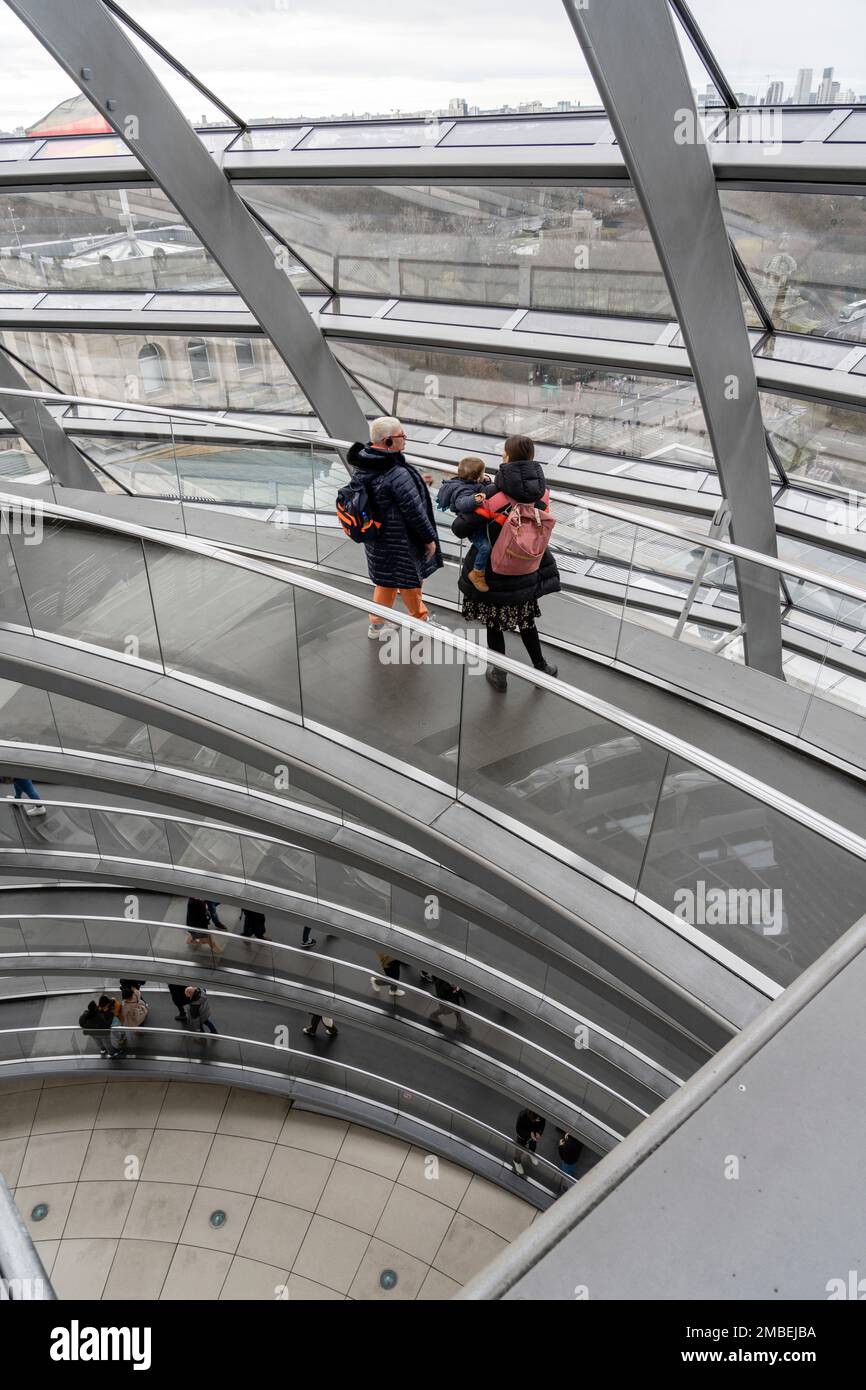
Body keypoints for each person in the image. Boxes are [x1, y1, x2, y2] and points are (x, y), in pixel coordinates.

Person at [452, 435, 560, 691]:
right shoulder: (542, 493)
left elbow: (459, 528)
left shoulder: (493, 495)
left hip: (493, 572)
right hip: (527, 567)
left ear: (507, 458)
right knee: (525, 620)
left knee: (494, 624)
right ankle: (541, 667)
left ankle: (500, 674)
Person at [347, 416, 443, 638]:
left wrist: (416, 482)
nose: (406, 438)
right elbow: (415, 512)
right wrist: (429, 539)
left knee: (385, 580)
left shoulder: (363, 464)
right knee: (410, 579)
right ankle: (420, 621)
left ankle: (377, 624)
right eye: (402, 435)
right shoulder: (395, 473)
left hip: (377, 538)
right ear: (388, 441)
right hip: (401, 541)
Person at [436, 456, 492, 591]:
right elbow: (462, 503)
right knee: (485, 547)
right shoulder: (462, 490)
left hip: (479, 522)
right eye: (482, 474)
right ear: (476, 477)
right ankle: (477, 572)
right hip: (473, 528)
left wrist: (487, 481)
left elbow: (481, 487)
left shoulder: (472, 484)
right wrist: (475, 499)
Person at [512, 1108, 546, 1176]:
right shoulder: (522, 1116)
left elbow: (543, 1123)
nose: (538, 1120)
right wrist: (529, 1134)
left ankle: (531, 1154)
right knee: (519, 1149)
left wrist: (539, 1133)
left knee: (533, 1146)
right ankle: (516, 1161)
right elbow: (518, 1130)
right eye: (536, 1119)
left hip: (534, 1135)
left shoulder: (539, 1114)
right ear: (531, 1117)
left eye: (539, 1119)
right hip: (523, 1136)